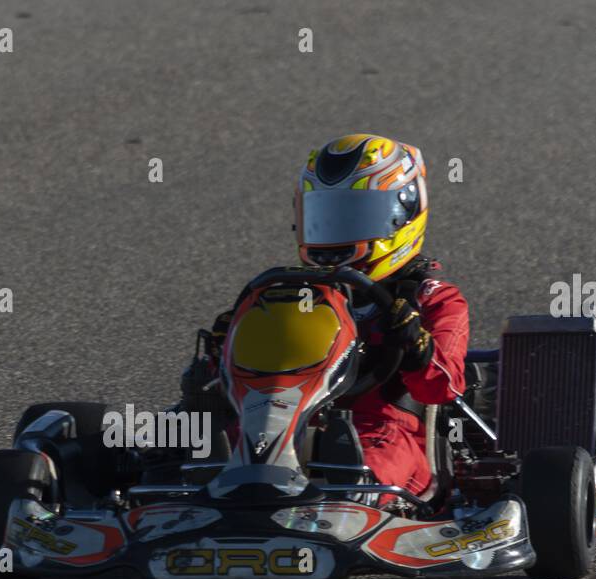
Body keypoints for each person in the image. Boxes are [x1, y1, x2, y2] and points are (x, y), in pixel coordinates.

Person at [184, 134, 469, 497]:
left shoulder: (432, 299)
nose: (337, 232)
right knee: (184, 454)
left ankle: (330, 512)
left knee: (360, 476)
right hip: (273, 425)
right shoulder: (284, 293)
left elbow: (442, 389)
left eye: (354, 216)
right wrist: (221, 355)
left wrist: (416, 345)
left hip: (379, 429)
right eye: (325, 217)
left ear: (404, 214)